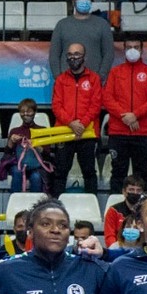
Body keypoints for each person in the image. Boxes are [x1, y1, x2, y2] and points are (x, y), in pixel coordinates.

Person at [103, 37, 147, 193]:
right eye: (129, 47)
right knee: (118, 173)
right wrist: (125, 117)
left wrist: (135, 115)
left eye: (136, 47)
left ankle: (143, 205)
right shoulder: (115, 72)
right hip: (118, 133)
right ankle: (116, 204)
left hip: (143, 133)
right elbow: (107, 98)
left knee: (142, 174)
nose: (132, 50)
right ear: (124, 49)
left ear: (142, 50)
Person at [50, 42, 102, 194]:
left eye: (77, 54)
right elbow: (56, 105)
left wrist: (82, 124)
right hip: (64, 132)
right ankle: (56, 204)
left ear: (84, 57)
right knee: (60, 172)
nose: (73, 58)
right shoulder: (61, 79)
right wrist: (71, 123)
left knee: (89, 172)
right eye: (70, 55)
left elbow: (96, 105)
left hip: (88, 132)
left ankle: (92, 204)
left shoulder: (94, 79)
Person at [49, 0, 114, 83]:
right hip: (66, 82)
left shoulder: (102, 24)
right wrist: (58, 78)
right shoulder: (62, 25)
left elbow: (108, 53)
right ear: (73, 2)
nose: (84, 1)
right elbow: (54, 54)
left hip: (94, 82)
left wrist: (100, 77)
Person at [2, 98, 50, 193]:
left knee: (36, 177)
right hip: (18, 164)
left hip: (36, 165)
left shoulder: (43, 131)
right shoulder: (14, 131)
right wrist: (11, 141)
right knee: (17, 171)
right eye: (22, 112)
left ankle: (36, 202)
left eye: (29, 111)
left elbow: (47, 155)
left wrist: (36, 146)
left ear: (35, 112)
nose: (25, 114)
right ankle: (14, 200)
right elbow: (7, 154)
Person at [103, 173, 145, 246]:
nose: (135, 193)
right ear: (124, 192)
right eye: (131, 189)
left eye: (138, 190)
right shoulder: (113, 211)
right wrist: (118, 250)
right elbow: (110, 236)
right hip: (118, 248)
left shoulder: (146, 211)